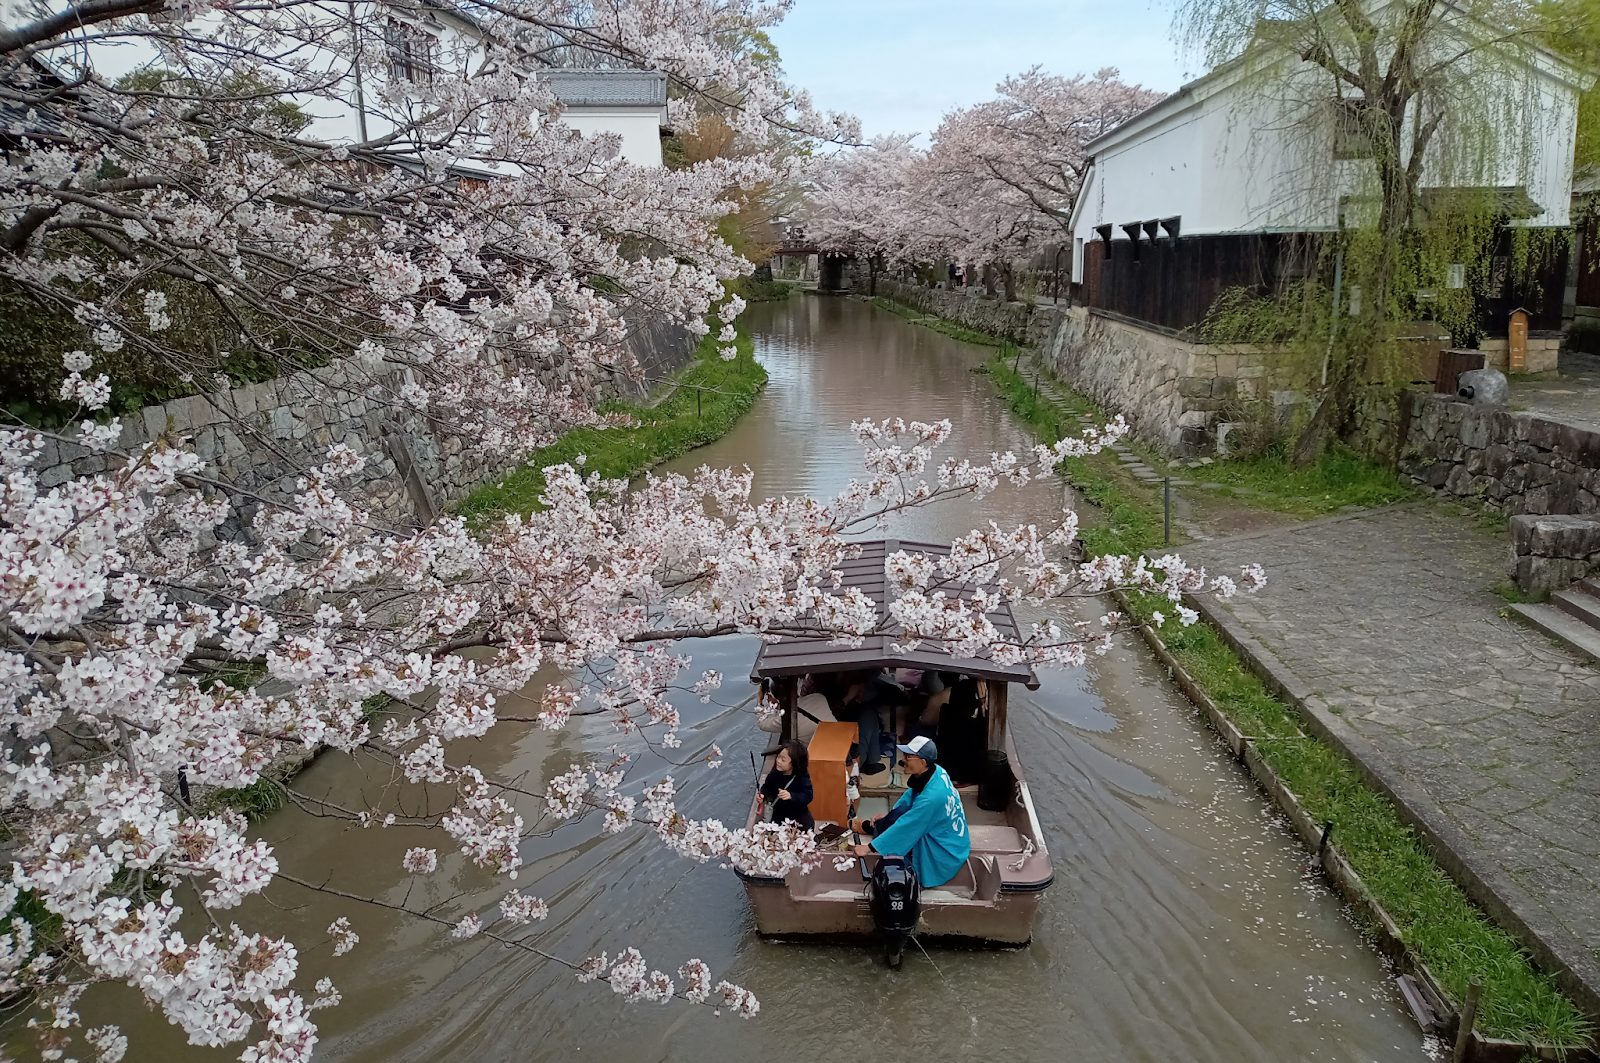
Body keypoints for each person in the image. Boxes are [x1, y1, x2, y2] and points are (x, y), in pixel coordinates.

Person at [849, 736, 970, 888]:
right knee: (896, 816)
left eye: (908, 756)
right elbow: (910, 797)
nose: (903, 760)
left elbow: (907, 826)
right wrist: (890, 814)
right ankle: (871, 826)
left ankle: (869, 827)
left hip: (945, 850)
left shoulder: (931, 799)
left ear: (923, 762)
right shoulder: (937, 771)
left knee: (900, 834)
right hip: (950, 834)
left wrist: (869, 848)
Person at [757, 739, 814, 829]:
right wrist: (762, 795)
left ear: (794, 763)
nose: (778, 761)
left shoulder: (802, 778)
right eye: (778, 757)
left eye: (783, 760)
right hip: (778, 817)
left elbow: (808, 796)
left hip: (797, 819)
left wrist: (791, 796)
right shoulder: (774, 774)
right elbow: (767, 787)